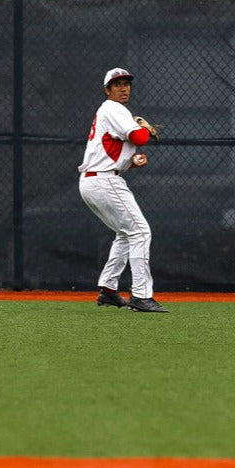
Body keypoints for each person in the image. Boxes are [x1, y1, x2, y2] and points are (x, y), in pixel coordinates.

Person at [78, 67, 168, 313]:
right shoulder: (113, 108)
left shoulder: (111, 112)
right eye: (117, 84)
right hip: (104, 182)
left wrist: (132, 161)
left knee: (125, 234)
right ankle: (141, 296)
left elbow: (112, 148)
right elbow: (138, 138)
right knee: (140, 232)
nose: (123, 87)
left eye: (126, 83)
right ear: (107, 90)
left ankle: (108, 289)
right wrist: (143, 131)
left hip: (95, 180)